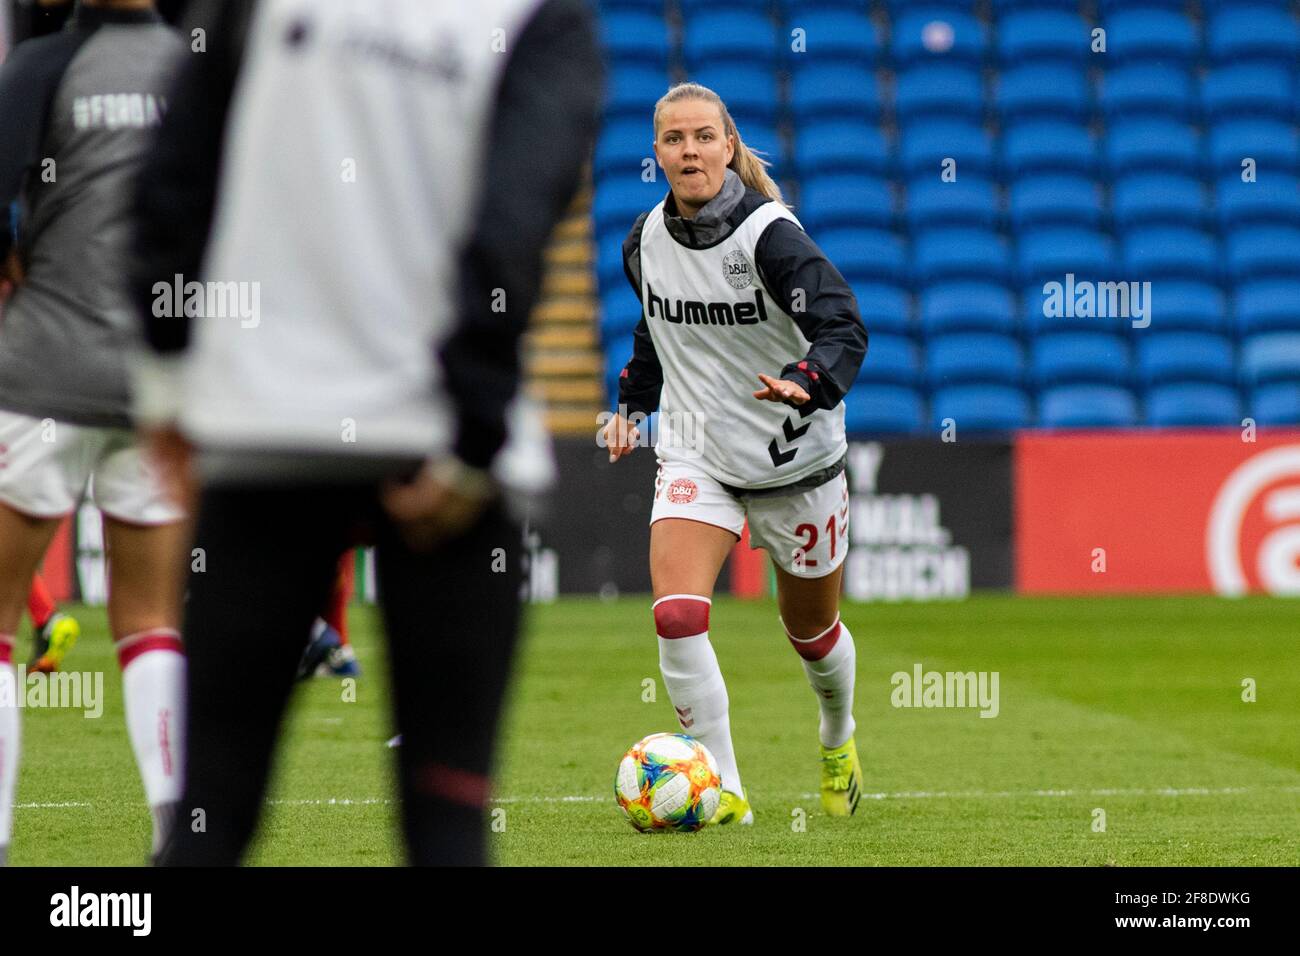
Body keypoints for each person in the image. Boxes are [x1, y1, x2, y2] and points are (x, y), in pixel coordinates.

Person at [128, 0, 600, 865]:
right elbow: (515, 226)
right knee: (448, 825)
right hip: (441, 450)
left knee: (210, 818)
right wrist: (475, 434)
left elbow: (172, 182)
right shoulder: (542, 20)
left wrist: (166, 386)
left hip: (264, 427)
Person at [602, 82, 869, 824]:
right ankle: (726, 794)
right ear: (657, 154)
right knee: (678, 616)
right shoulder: (643, 241)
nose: (688, 150)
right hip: (698, 451)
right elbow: (657, 331)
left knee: (812, 635)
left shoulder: (771, 237)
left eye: (702, 137)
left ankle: (837, 737)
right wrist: (631, 406)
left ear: (727, 146)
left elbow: (844, 327)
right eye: (673, 139)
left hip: (797, 459)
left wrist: (805, 381)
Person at [0, 0, 188, 866]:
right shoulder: (203, 65)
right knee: (151, 621)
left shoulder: (40, 66)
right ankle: (175, 844)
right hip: (157, 382)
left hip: (43, 372)